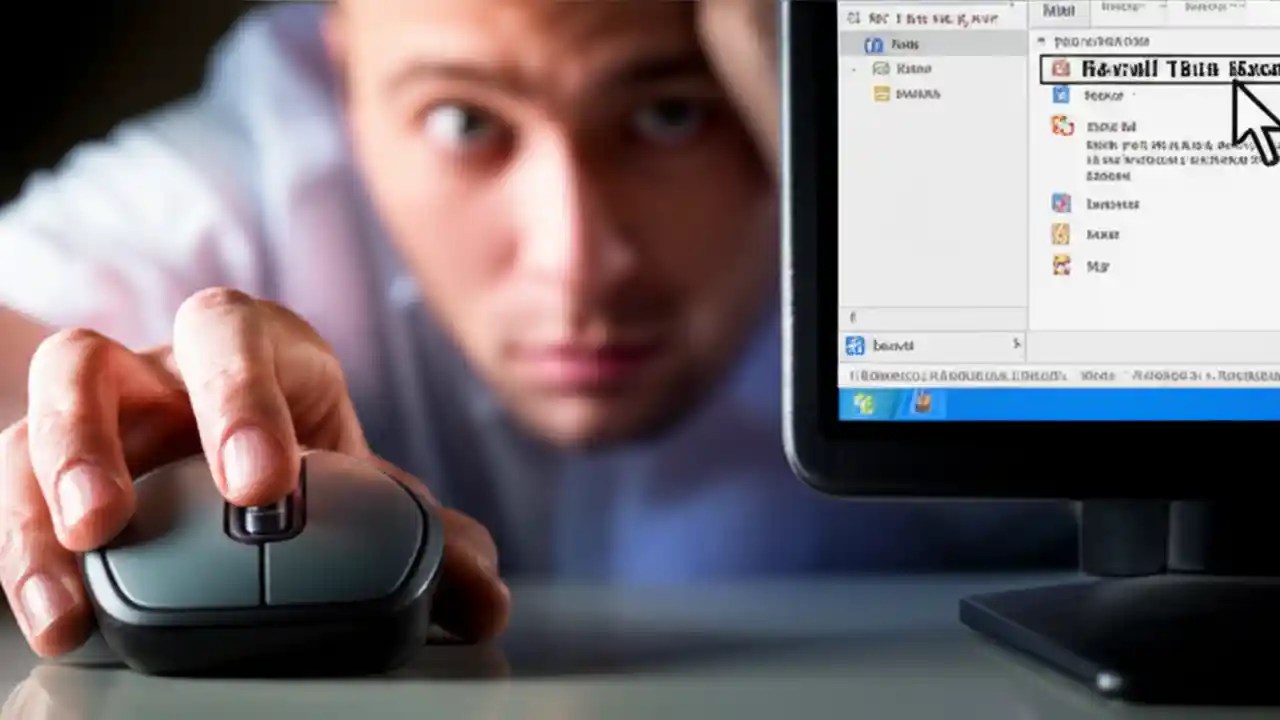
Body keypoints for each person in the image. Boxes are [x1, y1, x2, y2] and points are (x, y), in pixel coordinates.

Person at [0, 1, 1078, 660]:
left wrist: (842, 113)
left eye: (671, 113)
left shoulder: (966, 110)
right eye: (463, 121)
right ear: (343, 74)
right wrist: (60, 454)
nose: (580, 261)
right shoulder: (249, 173)